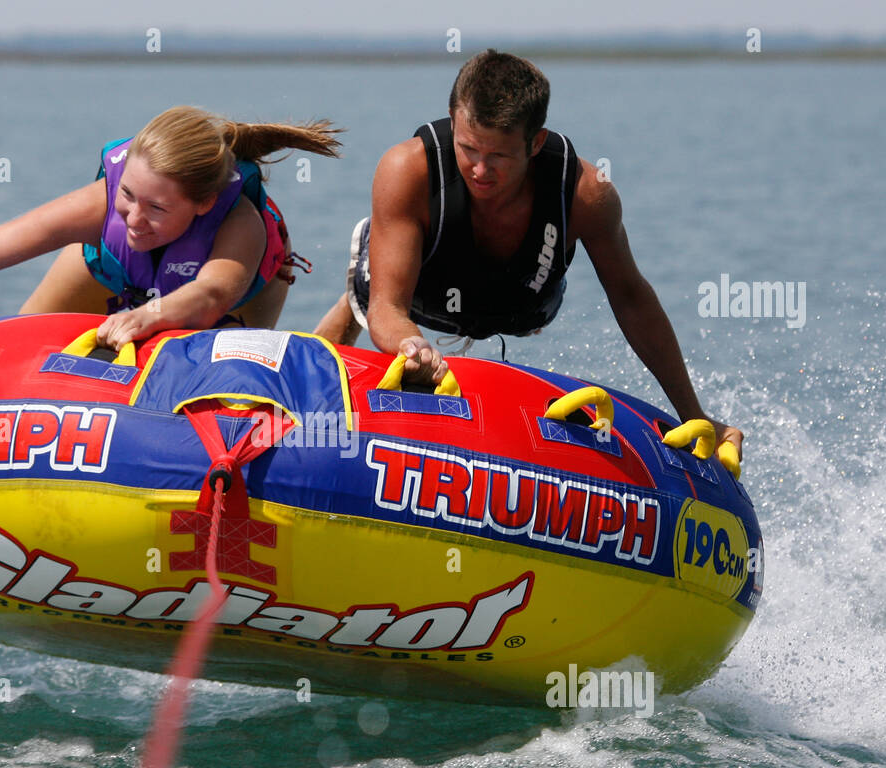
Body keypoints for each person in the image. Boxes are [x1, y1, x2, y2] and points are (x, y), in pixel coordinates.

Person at [313, 50, 743, 463]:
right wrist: (413, 348)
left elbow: (632, 298)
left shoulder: (585, 193)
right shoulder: (407, 169)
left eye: (498, 155)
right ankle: (340, 323)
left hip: (526, 300)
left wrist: (695, 414)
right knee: (370, 294)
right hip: (421, 290)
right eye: (467, 149)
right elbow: (389, 308)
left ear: (535, 143)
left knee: (538, 294)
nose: (480, 169)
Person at [0, 106, 342, 370]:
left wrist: (147, 317)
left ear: (202, 204)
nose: (134, 218)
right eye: (128, 195)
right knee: (18, 359)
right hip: (111, 274)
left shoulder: (238, 225)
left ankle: (349, 303)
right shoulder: (103, 206)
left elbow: (210, 297)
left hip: (238, 296)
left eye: (158, 208)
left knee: (210, 384)